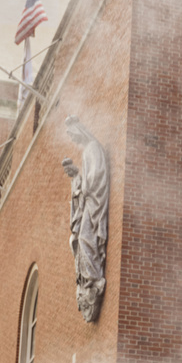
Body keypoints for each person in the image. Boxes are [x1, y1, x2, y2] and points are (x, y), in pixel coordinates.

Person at [61, 116, 109, 322]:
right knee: (77, 241)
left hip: (92, 202)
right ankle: (86, 280)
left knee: (85, 240)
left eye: (72, 135)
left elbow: (96, 175)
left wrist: (83, 187)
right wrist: (77, 180)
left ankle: (92, 278)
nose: (72, 140)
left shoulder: (93, 148)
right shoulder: (87, 150)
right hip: (87, 203)